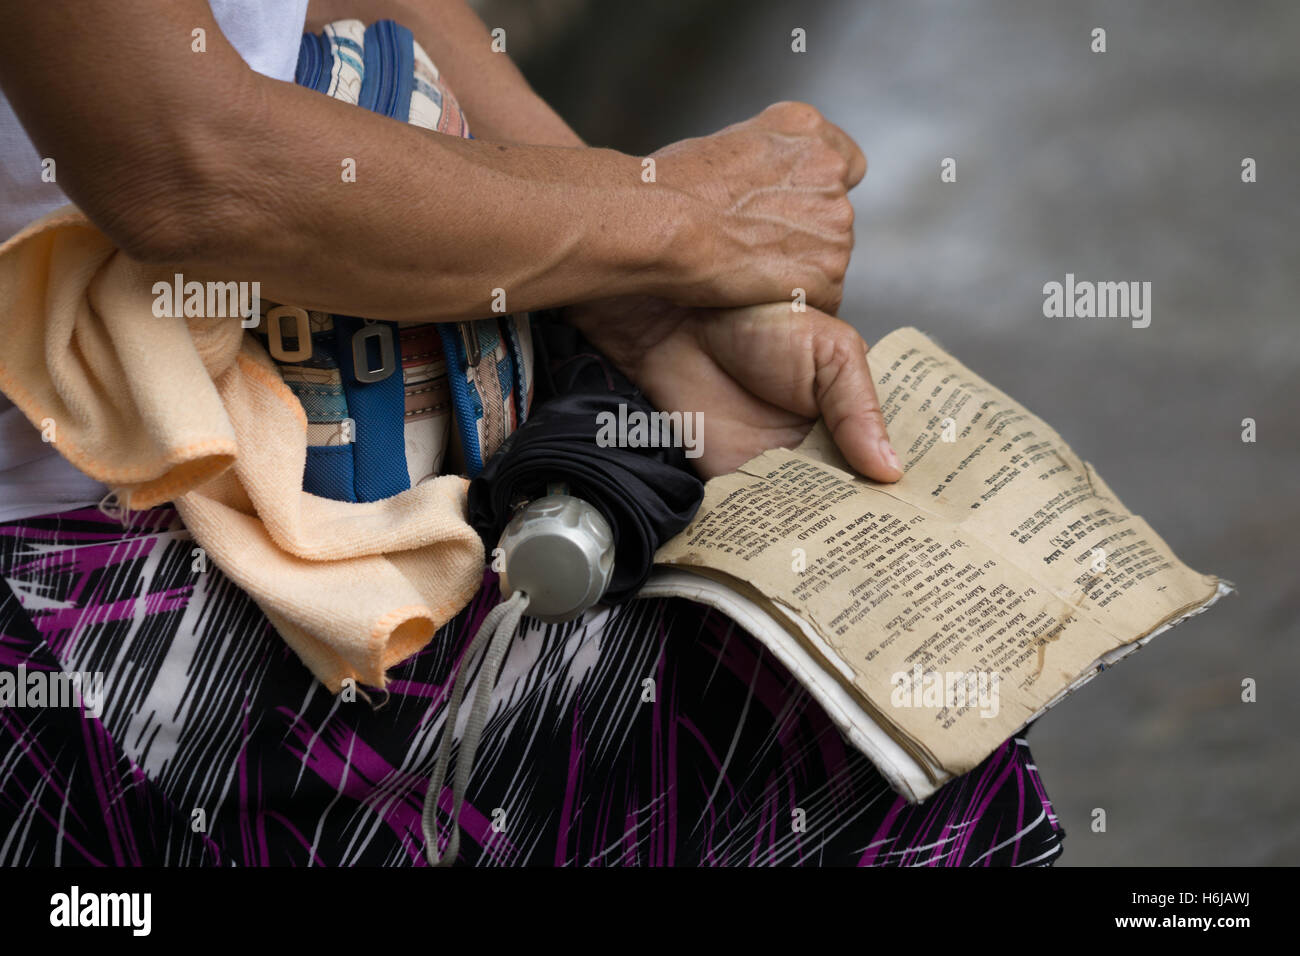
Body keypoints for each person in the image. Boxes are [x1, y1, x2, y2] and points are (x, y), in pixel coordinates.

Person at [0, 0, 1064, 866]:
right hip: (63, 574)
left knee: (897, 748)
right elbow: (188, 161)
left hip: (349, 476)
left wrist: (642, 294)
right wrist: (690, 219)